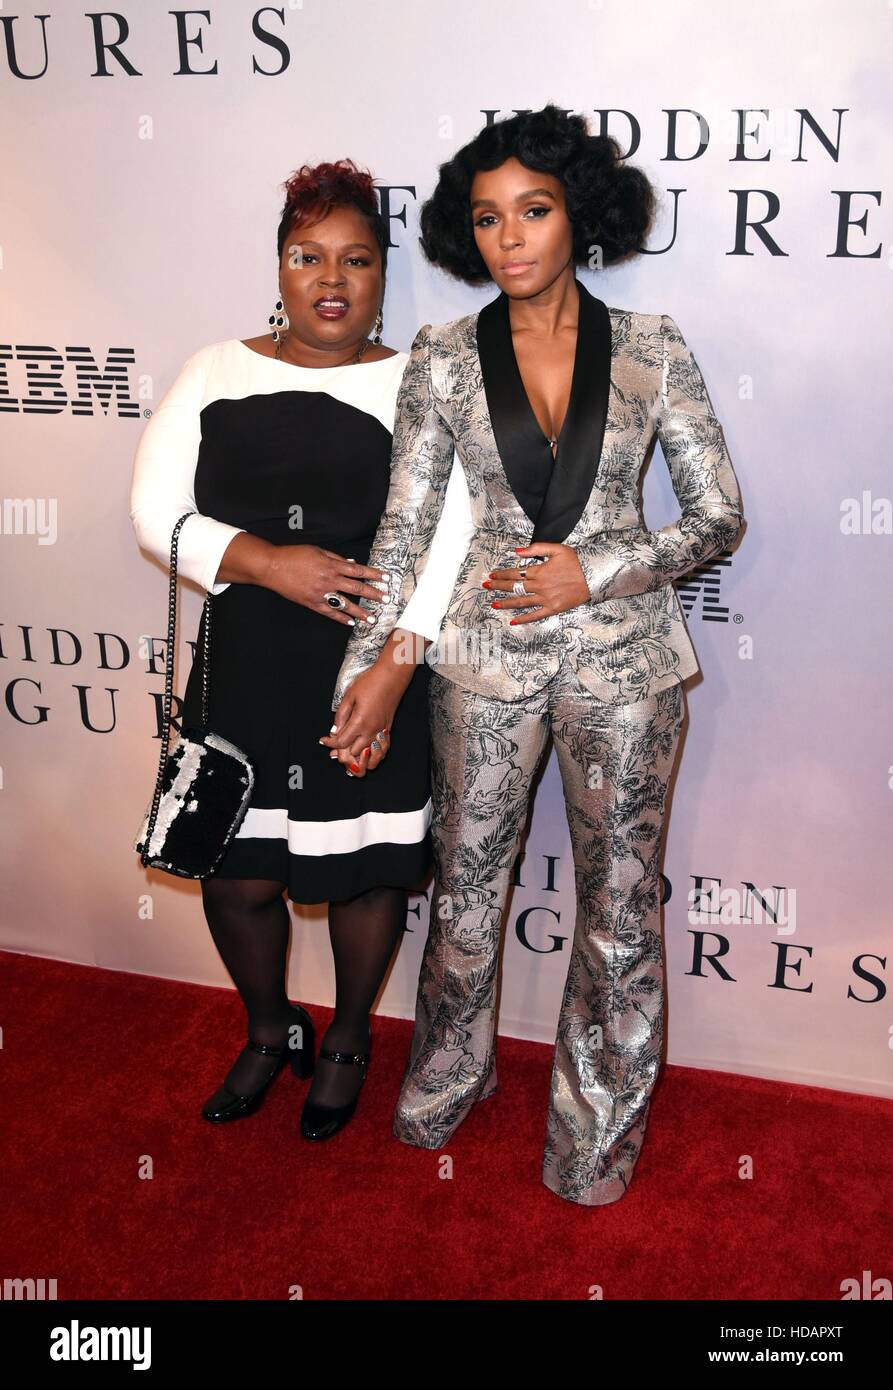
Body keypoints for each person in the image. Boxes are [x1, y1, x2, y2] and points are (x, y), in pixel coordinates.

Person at [322, 107, 746, 1205]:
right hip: (480, 663)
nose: (511, 237)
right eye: (487, 218)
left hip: (625, 674)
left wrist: (594, 569)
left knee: (615, 908)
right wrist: (363, 673)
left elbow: (714, 518)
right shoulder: (441, 357)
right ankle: (443, 1090)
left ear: (579, 216)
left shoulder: (651, 347)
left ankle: (593, 1137)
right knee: (463, 894)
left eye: (535, 210)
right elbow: (403, 532)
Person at [129, 158, 471, 1141]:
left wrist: (393, 666)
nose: (331, 278)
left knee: (363, 871)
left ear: (379, 272)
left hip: (372, 665)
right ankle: (271, 1026)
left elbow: (451, 537)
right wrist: (270, 563)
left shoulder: (420, 380)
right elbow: (155, 515)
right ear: (278, 267)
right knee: (238, 877)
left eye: (356, 260)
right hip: (244, 663)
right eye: (307, 255)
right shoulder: (212, 369)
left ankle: (353, 1034)